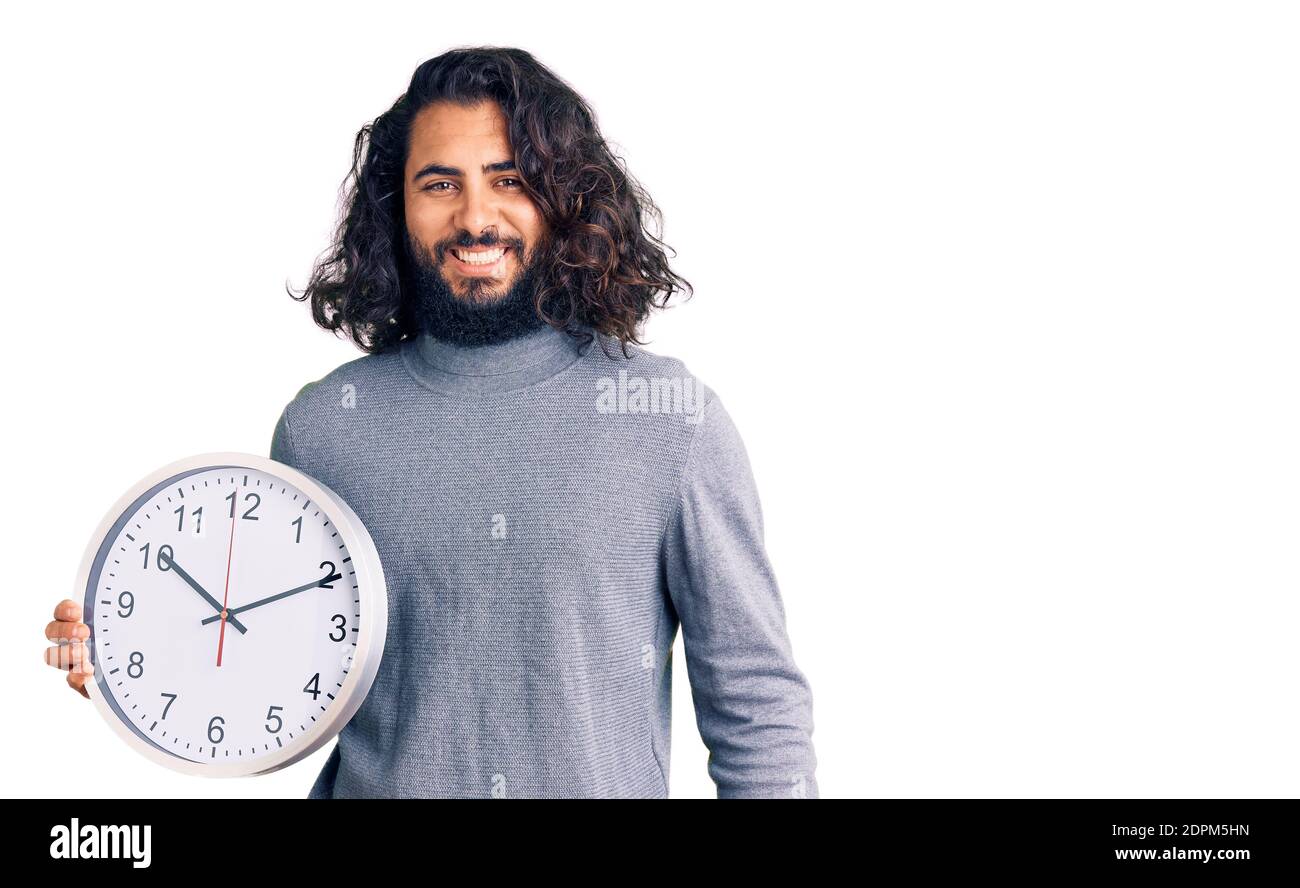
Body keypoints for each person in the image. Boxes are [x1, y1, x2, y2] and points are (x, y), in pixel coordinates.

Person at [44, 46, 818, 799]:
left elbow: (757, 708)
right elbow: (270, 675)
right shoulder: (323, 430)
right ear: (397, 207)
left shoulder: (669, 423)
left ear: (567, 199)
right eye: (440, 183)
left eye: (511, 180)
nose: (475, 217)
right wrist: (127, 667)